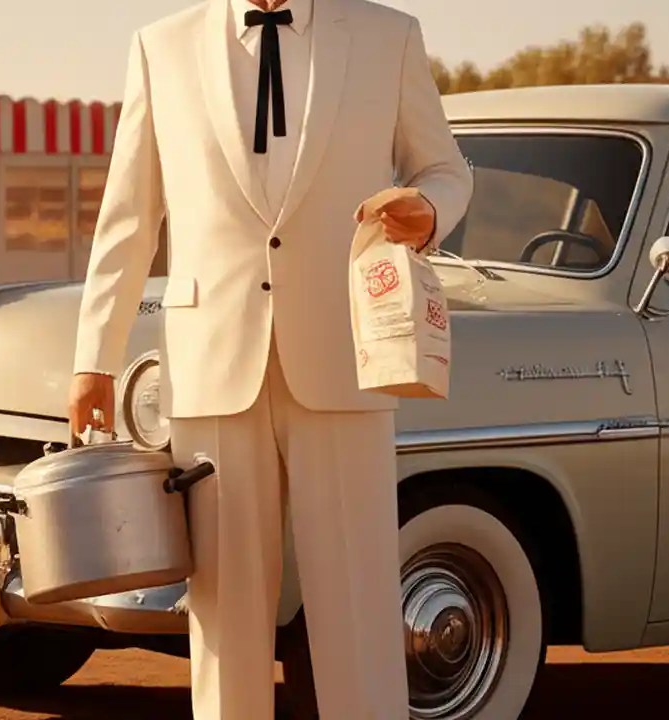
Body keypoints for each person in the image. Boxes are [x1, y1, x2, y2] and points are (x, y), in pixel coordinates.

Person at [67, 0, 474, 717]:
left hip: (348, 355)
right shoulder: (160, 47)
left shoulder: (389, 36)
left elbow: (445, 168)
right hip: (213, 363)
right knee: (223, 619)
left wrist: (430, 209)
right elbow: (128, 218)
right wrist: (92, 359)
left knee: (358, 606)